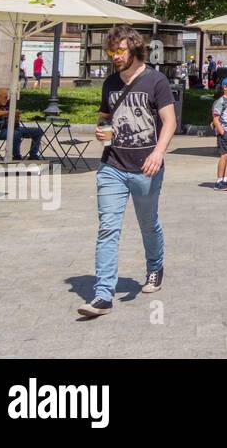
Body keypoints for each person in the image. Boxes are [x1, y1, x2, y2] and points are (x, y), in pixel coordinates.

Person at [77, 25, 178, 318]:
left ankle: (155, 266)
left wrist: (158, 153)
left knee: (148, 223)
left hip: (146, 167)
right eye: (111, 51)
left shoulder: (156, 81)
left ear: (134, 48)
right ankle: (103, 294)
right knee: (108, 228)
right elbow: (105, 114)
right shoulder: (110, 83)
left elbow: (169, 121)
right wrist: (100, 129)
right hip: (113, 166)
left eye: (119, 50)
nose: (115, 56)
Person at [0, 87, 45, 160]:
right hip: (0, 131)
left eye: (7, 97)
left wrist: (16, 115)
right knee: (15, 133)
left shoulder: (7, 105)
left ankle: (33, 154)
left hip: (16, 128)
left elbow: (15, 118)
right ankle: (16, 155)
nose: (6, 99)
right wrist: (9, 112)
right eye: (5, 97)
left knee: (38, 131)